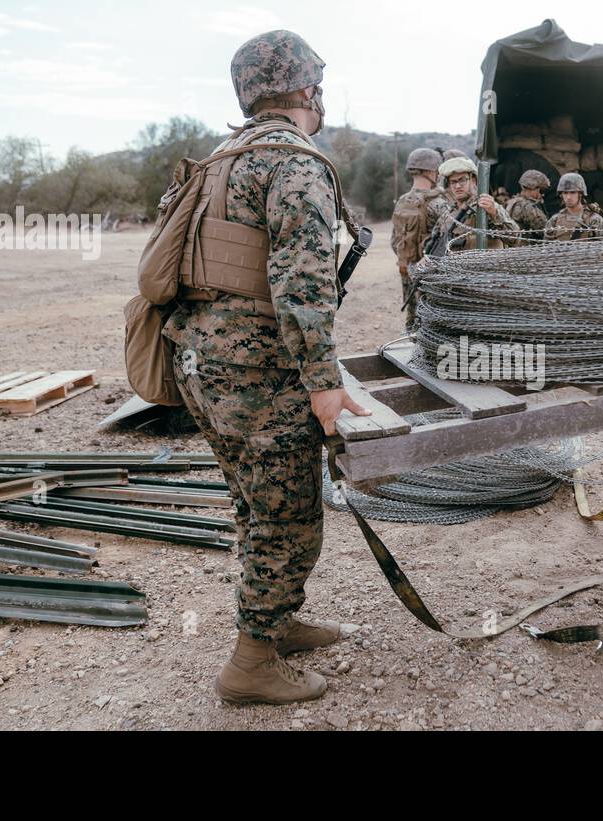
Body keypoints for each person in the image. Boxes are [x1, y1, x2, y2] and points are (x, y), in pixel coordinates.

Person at [163, 29, 371, 703]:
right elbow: (302, 283)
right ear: (309, 88)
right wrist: (324, 383)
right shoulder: (295, 163)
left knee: (255, 505)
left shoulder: (220, 159)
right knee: (288, 520)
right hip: (256, 372)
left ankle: (274, 623)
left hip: (199, 363)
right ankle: (251, 663)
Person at [390, 147, 447, 329]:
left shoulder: (402, 201)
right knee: (432, 325)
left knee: (412, 319)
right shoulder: (438, 204)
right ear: (431, 172)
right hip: (430, 276)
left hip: (407, 270)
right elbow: (449, 242)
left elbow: (394, 241)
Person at [424, 156, 518, 253]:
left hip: (484, 262)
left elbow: (515, 239)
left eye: (462, 180)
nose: (458, 186)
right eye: (453, 182)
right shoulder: (447, 216)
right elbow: (434, 246)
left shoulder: (486, 207)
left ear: (473, 180)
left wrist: (494, 213)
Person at [545, 173, 603, 240]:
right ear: (561, 195)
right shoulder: (555, 220)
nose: (569, 197)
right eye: (565, 193)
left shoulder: (594, 220)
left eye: (573, 192)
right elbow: (547, 244)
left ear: (580, 194)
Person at [506, 169, 551, 241]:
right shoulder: (528, 207)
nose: (541, 194)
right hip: (528, 246)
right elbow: (546, 231)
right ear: (535, 189)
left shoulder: (513, 202)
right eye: (540, 190)